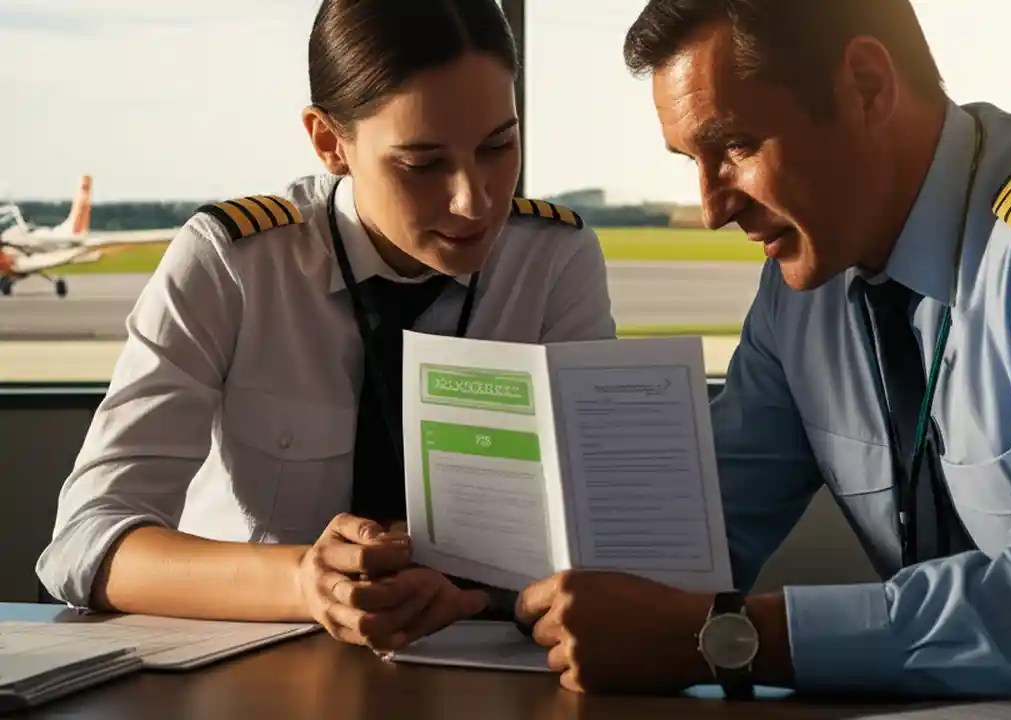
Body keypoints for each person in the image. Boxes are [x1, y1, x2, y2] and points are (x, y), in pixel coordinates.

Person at [515, 0, 1011, 700]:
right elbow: (693, 539)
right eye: (692, 160)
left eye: (736, 146)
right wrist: (508, 590)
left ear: (867, 86)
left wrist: (729, 639)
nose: (712, 208)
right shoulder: (804, 286)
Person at [37, 0, 614, 655]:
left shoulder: (553, 260)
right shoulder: (235, 263)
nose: (474, 200)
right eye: (422, 164)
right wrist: (303, 583)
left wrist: (490, 590)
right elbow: (85, 541)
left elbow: (601, 527)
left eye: (498, 147)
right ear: (328, 142)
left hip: (482, 665)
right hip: (253, 668)